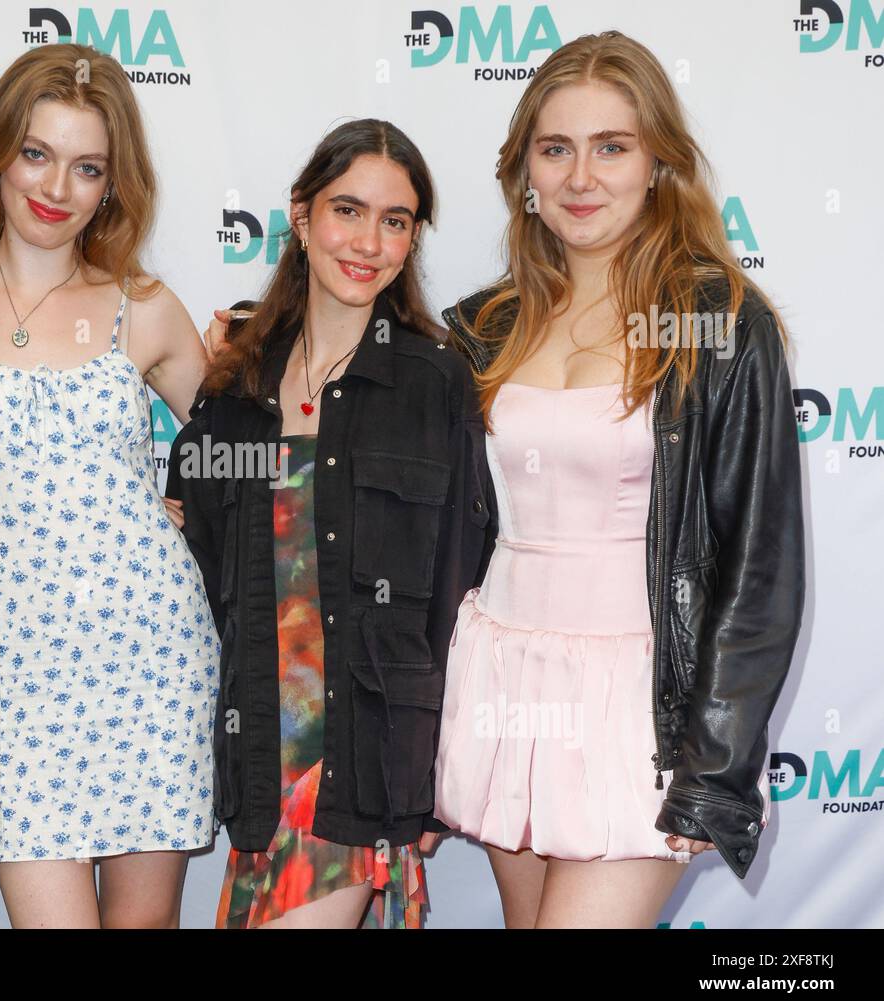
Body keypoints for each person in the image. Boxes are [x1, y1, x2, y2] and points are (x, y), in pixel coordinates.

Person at [430, 31, 804, 928]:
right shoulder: (486, 323)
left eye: (612, 146)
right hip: (506, 674)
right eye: (555, 148)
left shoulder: (720, 322)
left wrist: (713, 773)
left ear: (658, 165)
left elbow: (759, 566)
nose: (580, 176)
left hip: (645, 705)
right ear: (524, 169)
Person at [0, 43, 219, 929]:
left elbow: (238, 450)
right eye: (37, 154)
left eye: (88, 168)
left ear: (113, 186)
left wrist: (173, 511)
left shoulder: (145, 306)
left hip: (151, 658)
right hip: (12, 666)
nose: (56, 188)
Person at [167, 119, 492, 928]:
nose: (369, 241)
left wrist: (425, 781)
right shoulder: (238, 385)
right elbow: (200, 566)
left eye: (396, 220)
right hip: (256, 762)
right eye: (347, 210)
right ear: (302, 217)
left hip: (365, 763)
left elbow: (462, 590)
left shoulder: (436, 382)